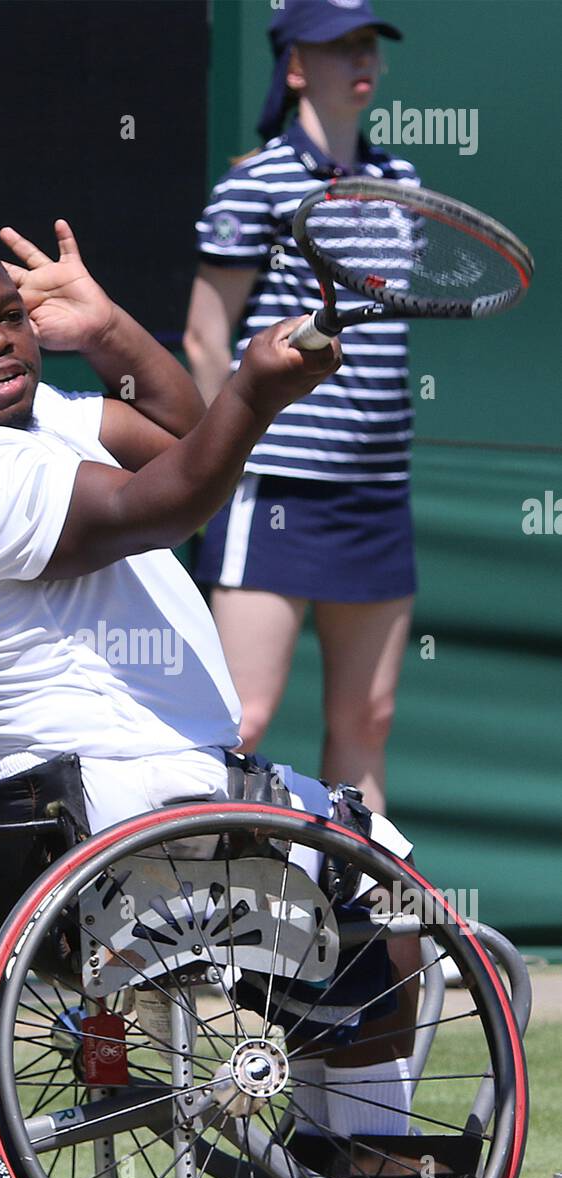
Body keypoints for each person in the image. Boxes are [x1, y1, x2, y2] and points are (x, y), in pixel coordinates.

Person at [0, 214, 534, 1178]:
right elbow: (162, 501)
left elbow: (174, 431)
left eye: (7, 315)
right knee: (381, 924)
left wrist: (114, 331)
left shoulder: (57, 421)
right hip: (107, 822)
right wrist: (257, 392)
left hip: (177, 806)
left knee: (389, 910)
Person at [184, 0, 417, 816]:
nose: (360, 58)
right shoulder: (255, 183)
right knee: (236, 722)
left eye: (368, 43)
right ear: (294, 66)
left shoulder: (404, 187)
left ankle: (372, 937)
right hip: (274, 489)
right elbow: (206, 340)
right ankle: (177, 922)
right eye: (335, 44)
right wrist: (228, 460)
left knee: (369, 719)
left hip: (377, 491)